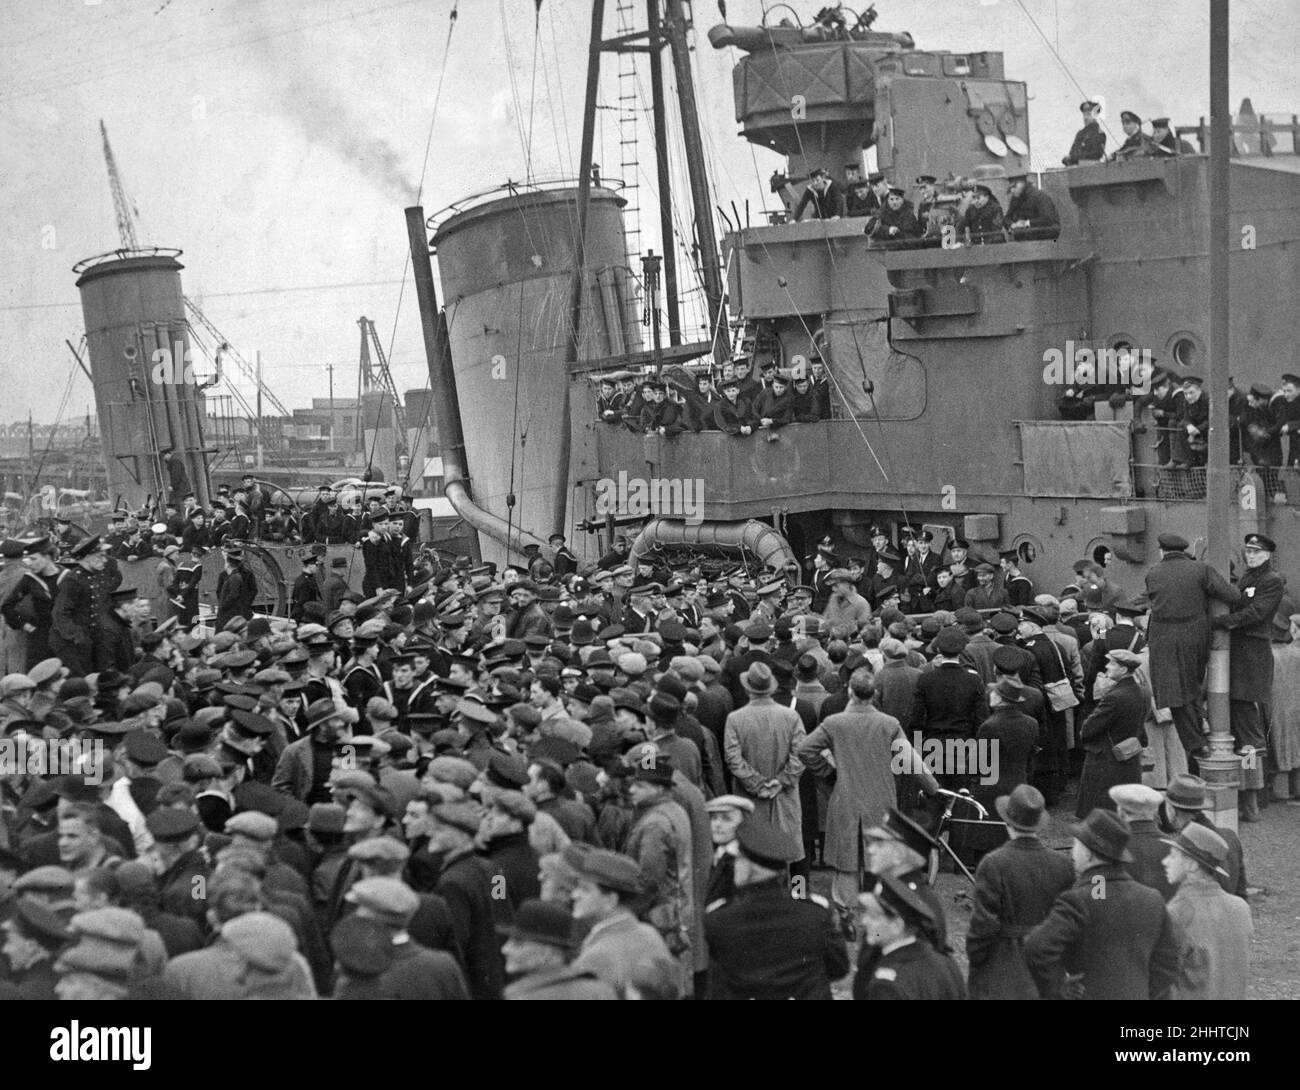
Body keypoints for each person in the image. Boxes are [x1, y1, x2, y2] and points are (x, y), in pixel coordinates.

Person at [797, 667, 936, 911]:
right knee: (878, 860)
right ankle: (876, 911)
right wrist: (932, 786)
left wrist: (827, 774)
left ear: (850, 691)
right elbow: (910, 760)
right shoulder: (889, 723)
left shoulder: (834, 723)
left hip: (846, 797)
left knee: (846, 862)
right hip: (880, 800)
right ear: (874, 694)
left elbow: (805, 749)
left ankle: (846, 913)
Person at [1025, 808, 1181, 1000]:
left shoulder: (1078, 899)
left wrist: (1058, 987)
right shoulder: (1152, 899)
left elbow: (1036, 947)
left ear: (1089, 854)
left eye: (1076, 844)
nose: (1073, 851)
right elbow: (1169, 963)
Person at [703, 820, 848, 1000]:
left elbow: (716, 986)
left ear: (750, 866)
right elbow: (839, 967)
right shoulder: (815, 913)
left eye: (738, 859)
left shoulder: (720, 919)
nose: (735, 865)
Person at [965, 785, 1073, 999]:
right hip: (1047, 965)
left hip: (1004, 964)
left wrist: (977, 958)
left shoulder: (993, 863)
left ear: (1007, 823)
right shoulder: (1063, 864)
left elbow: (983, 925)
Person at [1211, 533, 1286, 821]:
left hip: (1251, 661)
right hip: (1240, 659)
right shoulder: (1247, 578)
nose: (1251, 555)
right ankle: (1246, 794)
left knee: (1250, 736)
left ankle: (1252, 796)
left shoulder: (1271, 581)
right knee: (1240, 730)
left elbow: (1256, 613)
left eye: (1256, 552)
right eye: (1249, 551)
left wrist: (1222, 623)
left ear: (1267, 554)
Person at [1144, 532, 1237, 762]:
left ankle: (1196, 745)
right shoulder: (1200, 569)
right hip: (1195, 636)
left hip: (1163, 639)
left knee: (1174, 694)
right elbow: (1231, 595)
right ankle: (1202, 730)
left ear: (1161, 551)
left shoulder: (1153, 573)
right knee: (1192, 686)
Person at [722, 663, 806, 860]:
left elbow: (733, 758)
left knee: (752, 858)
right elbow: (801, 753)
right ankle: (795, 891)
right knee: (785, 854)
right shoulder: (791, 716)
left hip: (749, 799)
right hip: (784, 798)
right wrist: (782, 781)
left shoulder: (735, 719)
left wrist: (757, 784)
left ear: (747, 688)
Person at [1162, 824, 1252, 1000]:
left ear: (1192, 865)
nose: (1165, 861)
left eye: (1173, 856)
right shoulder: (1241, 908)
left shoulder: (1177, 911)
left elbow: (1163, 980)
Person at [856, 873, 966, 1000]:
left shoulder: (886, 985)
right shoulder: (946, 963)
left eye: (873, 916)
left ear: (897, 925)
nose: (863, 921)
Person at [1075, 648, 1148, 817]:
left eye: (1111, 664)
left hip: (1106, 760)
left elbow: (1087, 730)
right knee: (1123, 812)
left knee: (1101, 815)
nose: (1107, 667)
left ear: (1123, 670)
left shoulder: (1114, 696)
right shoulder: (1140, 691)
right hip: (1129, 757)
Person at [500, 899, 617, 1000]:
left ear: (546, 953)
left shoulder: (523, 996)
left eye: (518, 943)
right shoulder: (601, 991)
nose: (505, 949)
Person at [1004, 173, 1060, 240]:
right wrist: (1011, 225)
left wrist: (1026, 223)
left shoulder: (1040, 197)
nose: (1012, 191)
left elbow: (1048, 219)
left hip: (1043, 239)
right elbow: (1007, 218)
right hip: (1023, 239)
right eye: (1010, 188)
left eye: (1014, 187)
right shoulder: (1015, 198)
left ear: (1023, 183)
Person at [1063, 99, 1107, 165]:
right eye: (1084, 112)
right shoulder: (1080, 133)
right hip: (1076, 167)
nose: (1086, 115)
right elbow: (1072, 152)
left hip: (1090, 168)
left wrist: (1075, 157)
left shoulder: (1100, 133)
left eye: (1089, 112)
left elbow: (1097, 154)